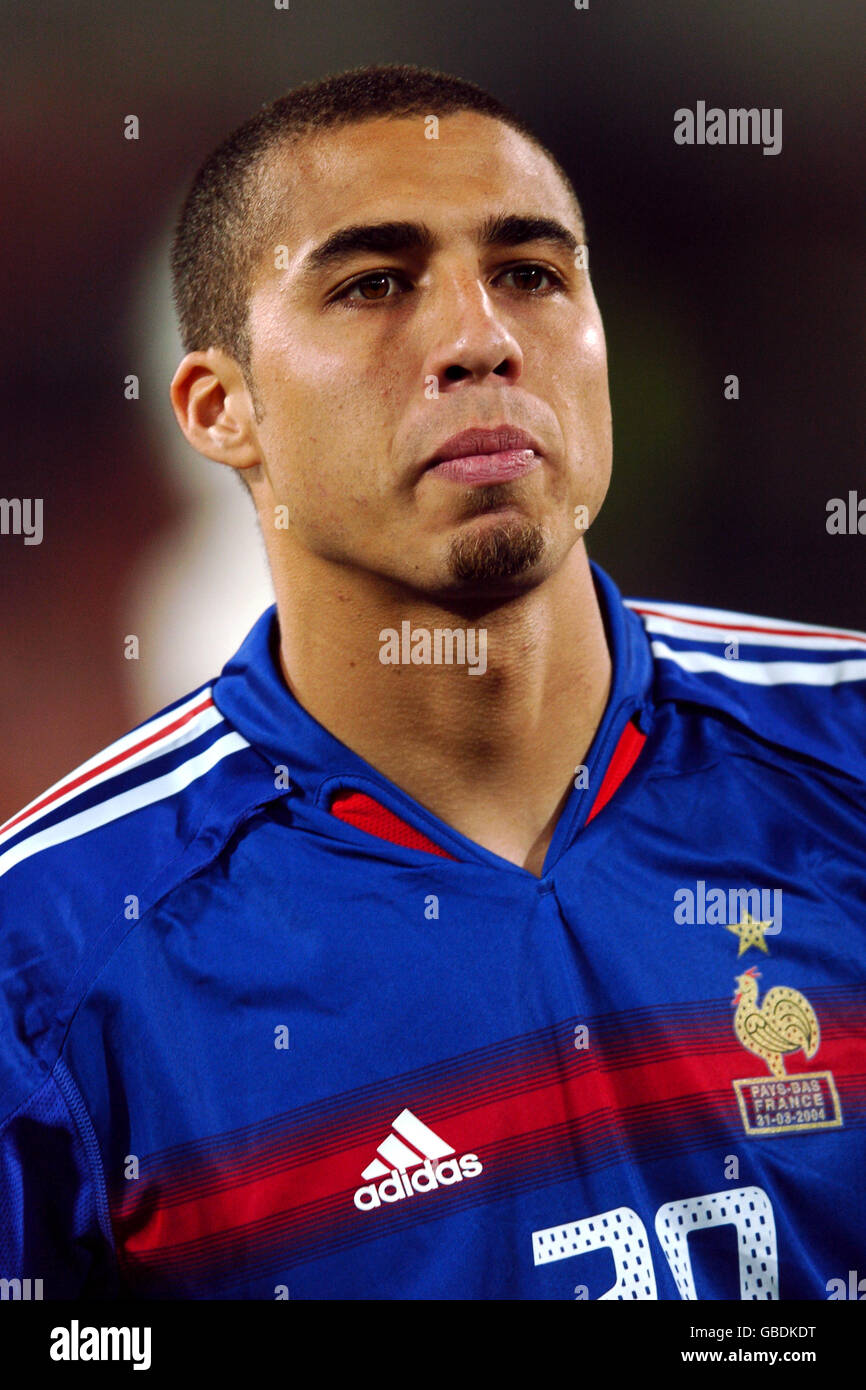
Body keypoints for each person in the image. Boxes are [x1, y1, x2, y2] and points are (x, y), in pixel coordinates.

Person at [1, 64, 864, 1301]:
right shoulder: (49, 963)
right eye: (371, 284)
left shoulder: (842, 759)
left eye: (528, 271)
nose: (479, 339)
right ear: (216, 407)